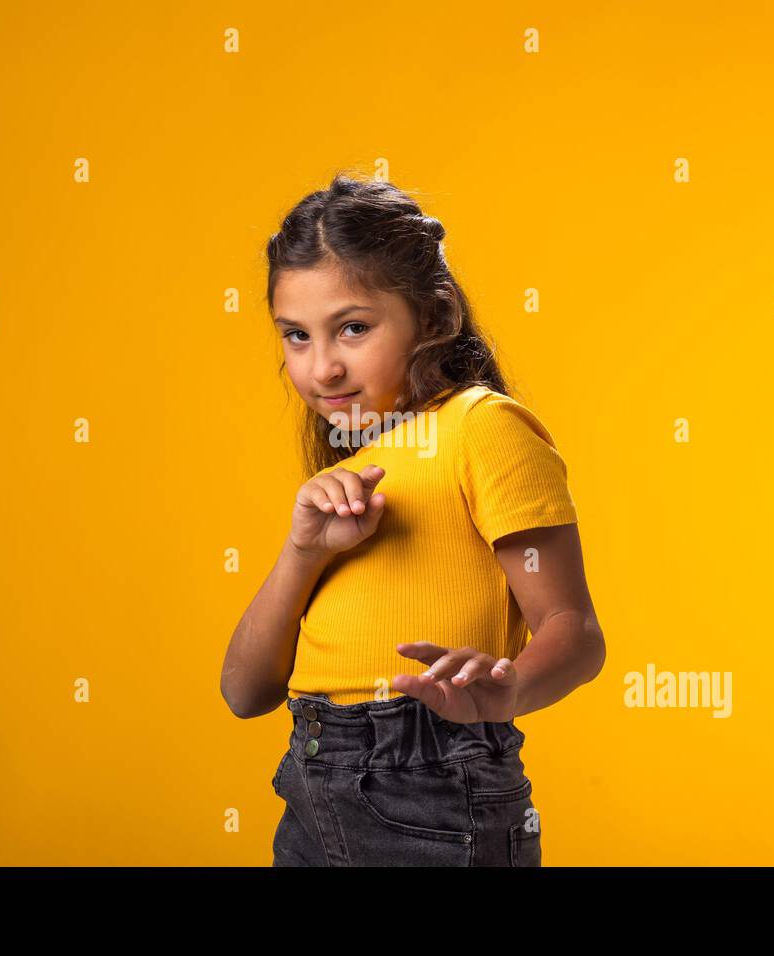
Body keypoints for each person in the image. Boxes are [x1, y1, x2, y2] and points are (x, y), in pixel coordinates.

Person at [220, 173, 606, 866]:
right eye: (296, 336)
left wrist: (507, 687)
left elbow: (573, 632)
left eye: (354, 328)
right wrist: (303, 551)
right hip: (312, 780)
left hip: (428, 785)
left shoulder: (480, 429)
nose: (323, 368)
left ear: (430, 318)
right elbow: (245, 693)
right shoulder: (347, 474)